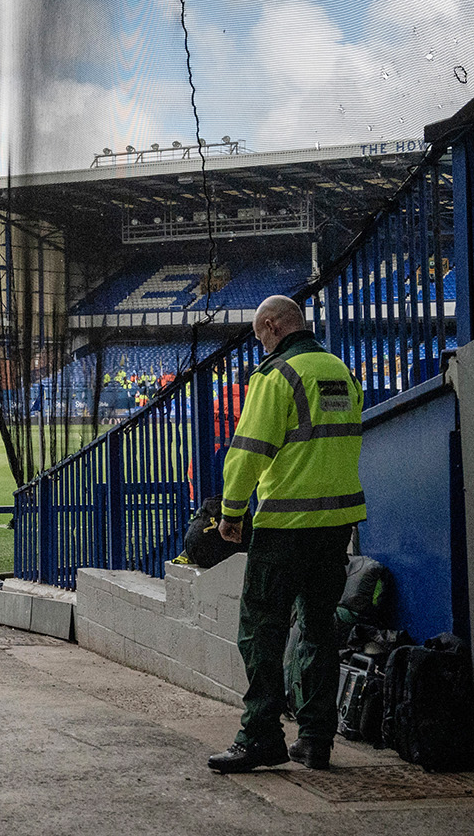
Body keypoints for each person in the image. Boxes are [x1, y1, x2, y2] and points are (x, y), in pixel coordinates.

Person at [207, 295, 365, 773]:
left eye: (259, 337)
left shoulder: (277, 375)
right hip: (336, 527)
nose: (260, 346)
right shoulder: (341, 371)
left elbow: (248, 451)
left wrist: (232, 513)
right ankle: (317, 740)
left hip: (284, 529)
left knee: (261, 632)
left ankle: (260, 736)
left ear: (272, 326)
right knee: (318, 629)